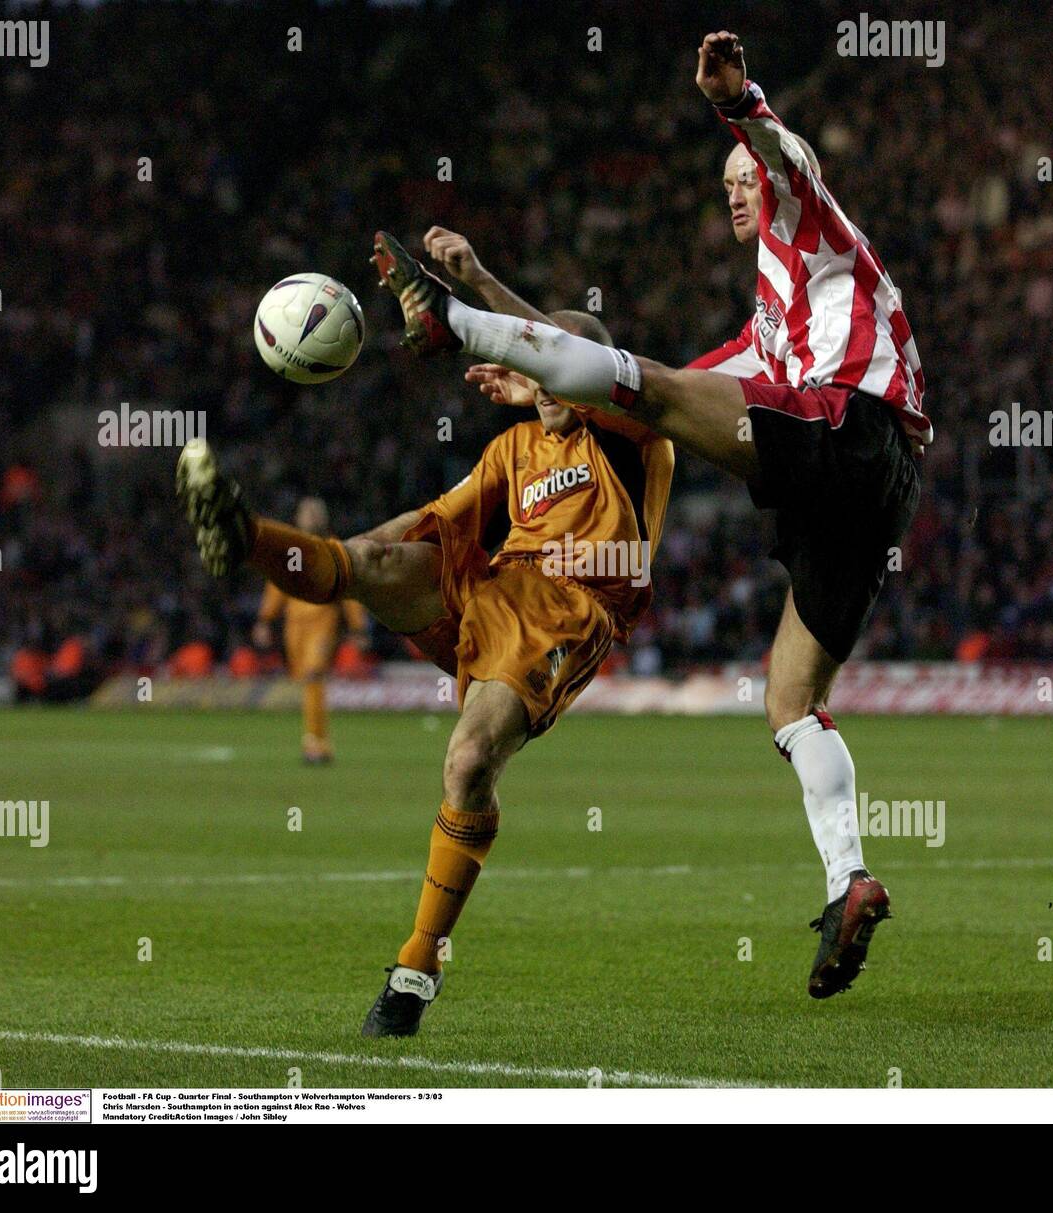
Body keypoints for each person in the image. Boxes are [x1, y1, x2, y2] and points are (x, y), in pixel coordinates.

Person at [370, 30, 929, 999]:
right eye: (726, 186)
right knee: (789, 703)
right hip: (868, 495)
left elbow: (786, 163)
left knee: (660, 393)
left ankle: (444, 325)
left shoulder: (812, 225)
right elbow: (631, 391)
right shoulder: (763, 336)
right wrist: (493, 299)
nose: (736, 192)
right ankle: (849, 879)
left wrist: (738, 102)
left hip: (852, 427)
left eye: (740, 180)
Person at [176, 311, 673, 1035]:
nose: (548, 377)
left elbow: (613, 389)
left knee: (470, 762)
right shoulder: (513, 447)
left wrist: (481, 311)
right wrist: (357, 555)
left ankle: (417, 964)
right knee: (370, 558)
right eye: (542, 361)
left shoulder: (635, 438)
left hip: (570, 607)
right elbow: (440, 516)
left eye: (564, 361)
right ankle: (241, 529)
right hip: (494, 592)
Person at [251, 496, 369, 764]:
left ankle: (316, 744)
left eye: (317, 513)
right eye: (308, 513)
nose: (313, 518)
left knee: (314, 676)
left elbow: (349, 592)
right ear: (298, 518)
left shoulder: (335, 549)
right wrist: (265, 620)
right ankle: (313, 740)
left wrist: (358, 627)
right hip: (294, 627)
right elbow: (277, 586)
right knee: (306, 681)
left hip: (323, 623)